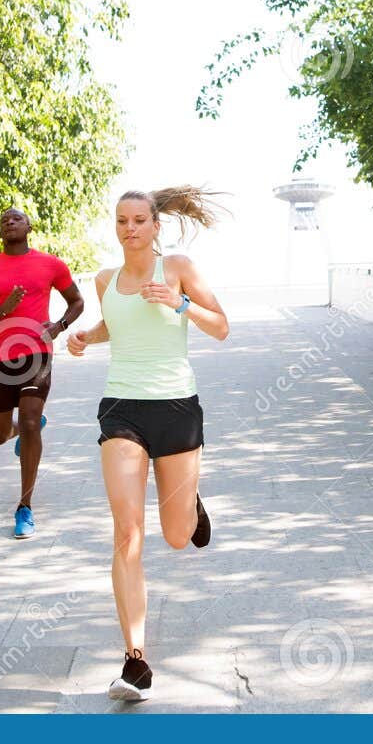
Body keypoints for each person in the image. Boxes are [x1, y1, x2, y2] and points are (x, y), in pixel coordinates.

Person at [66, 186, 229, 701]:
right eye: (122, 220)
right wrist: (85, 338)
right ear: (115, 226)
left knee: (177, 536)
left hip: (177, 407)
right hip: (122, 409)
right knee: (127, 533)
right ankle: (136, 661)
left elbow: (222, 327)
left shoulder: (177, 267)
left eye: (140, 220)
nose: (130, 228)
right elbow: (117, 326)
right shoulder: (104, 280)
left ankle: (190, 505)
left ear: (156, 226)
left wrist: (180, 304)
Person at [0, 207, 83, 539]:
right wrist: (2, 310)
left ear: (29, 226)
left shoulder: (51, 265)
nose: (9, 222)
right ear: (0, 231)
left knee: (31, 420)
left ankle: (24, 506)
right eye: (3, 220)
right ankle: (20, 431)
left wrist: (60, 326)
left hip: (37, 354)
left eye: (16, 218)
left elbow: (77, 301)